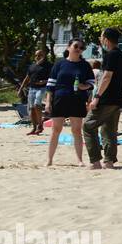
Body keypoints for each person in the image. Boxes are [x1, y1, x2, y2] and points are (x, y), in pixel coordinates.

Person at [84, 28, 122, 170]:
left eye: (101, 37)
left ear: (106, 39)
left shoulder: (111, 55)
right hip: (118, 99)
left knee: (87, 125)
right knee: (109, 130)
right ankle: (109, 161)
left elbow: (107, 77)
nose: (100, 39)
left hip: (107, 98)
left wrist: (97, 97)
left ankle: (95, 161)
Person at [43, 38, 94, 167]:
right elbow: (50, 85)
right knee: (56, 130)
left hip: (77, 100)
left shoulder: (85, 65)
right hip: (59, 99)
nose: (78, 49)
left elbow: (92, 83)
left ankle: (79, 160)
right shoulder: (59, 64)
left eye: (81, 48)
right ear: (68, 47)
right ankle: (49, 160)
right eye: (76, 46)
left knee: (76, 130)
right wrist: (48, 102)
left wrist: (85, 86)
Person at [18, 48, 53, 136]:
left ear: (44, 56)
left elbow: (53, 77)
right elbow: (27, 77)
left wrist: (44, 81)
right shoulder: (32, 66)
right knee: (31, 109)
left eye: (40, 55)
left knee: (37, 104)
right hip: (32, 88)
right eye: (36, 55)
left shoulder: (48, 65)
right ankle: (34, 128)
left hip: (42, 88)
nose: (37, 57)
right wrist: (20, 89)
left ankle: (40, 125)